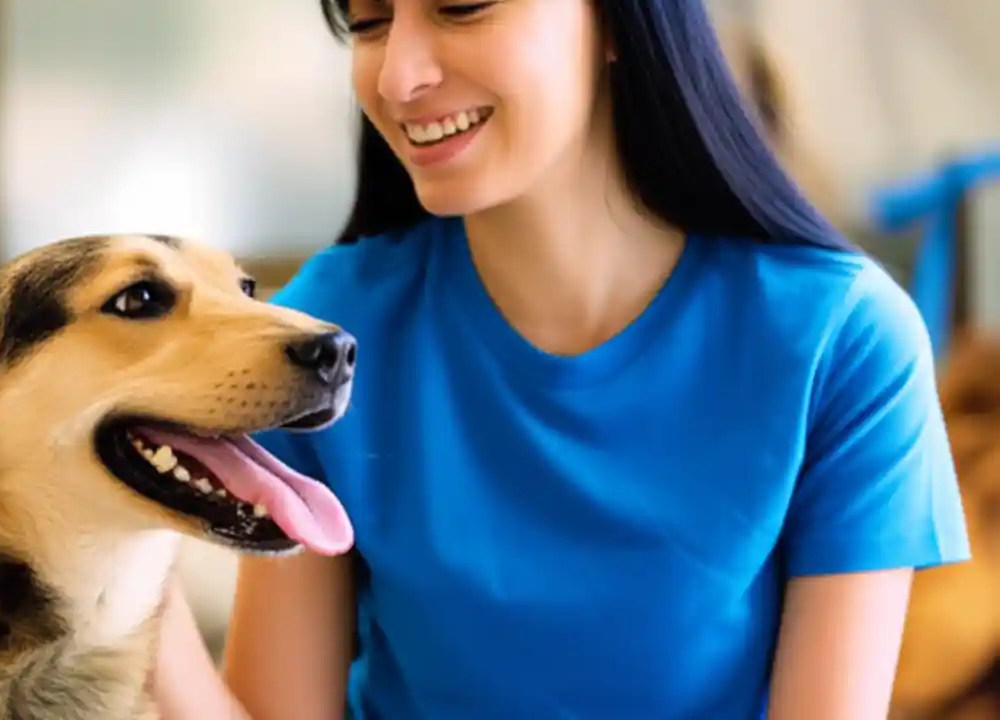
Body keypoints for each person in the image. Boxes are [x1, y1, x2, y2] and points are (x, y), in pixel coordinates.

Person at [157, 1, 972, 718]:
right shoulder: (327, 335)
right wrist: (122, 573)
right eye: (367, 22)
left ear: (618, 22)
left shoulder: (843, 340)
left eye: (463, 6)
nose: (397, 75)